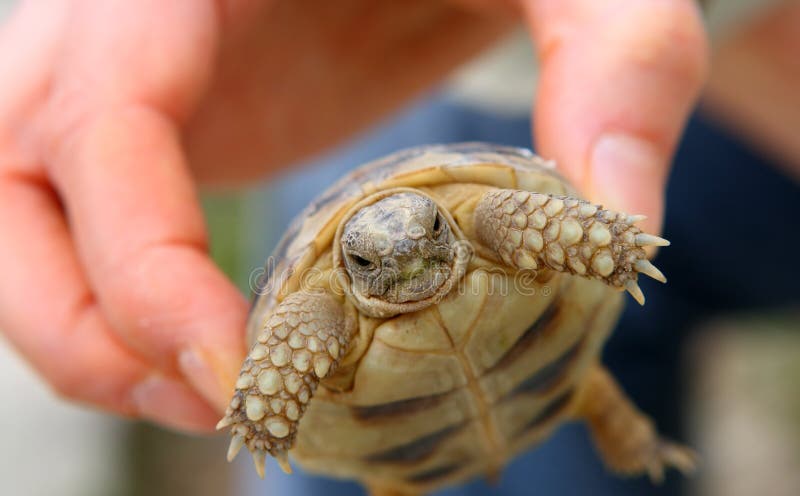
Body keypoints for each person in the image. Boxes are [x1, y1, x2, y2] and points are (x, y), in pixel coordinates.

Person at [0, 0, 708, 432]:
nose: (409, 260)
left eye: (430, 236)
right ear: (348, 266)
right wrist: (263, 409)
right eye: (371, 262)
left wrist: (610, 236)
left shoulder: (486, 218)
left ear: (445, 223)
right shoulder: (320, 310)